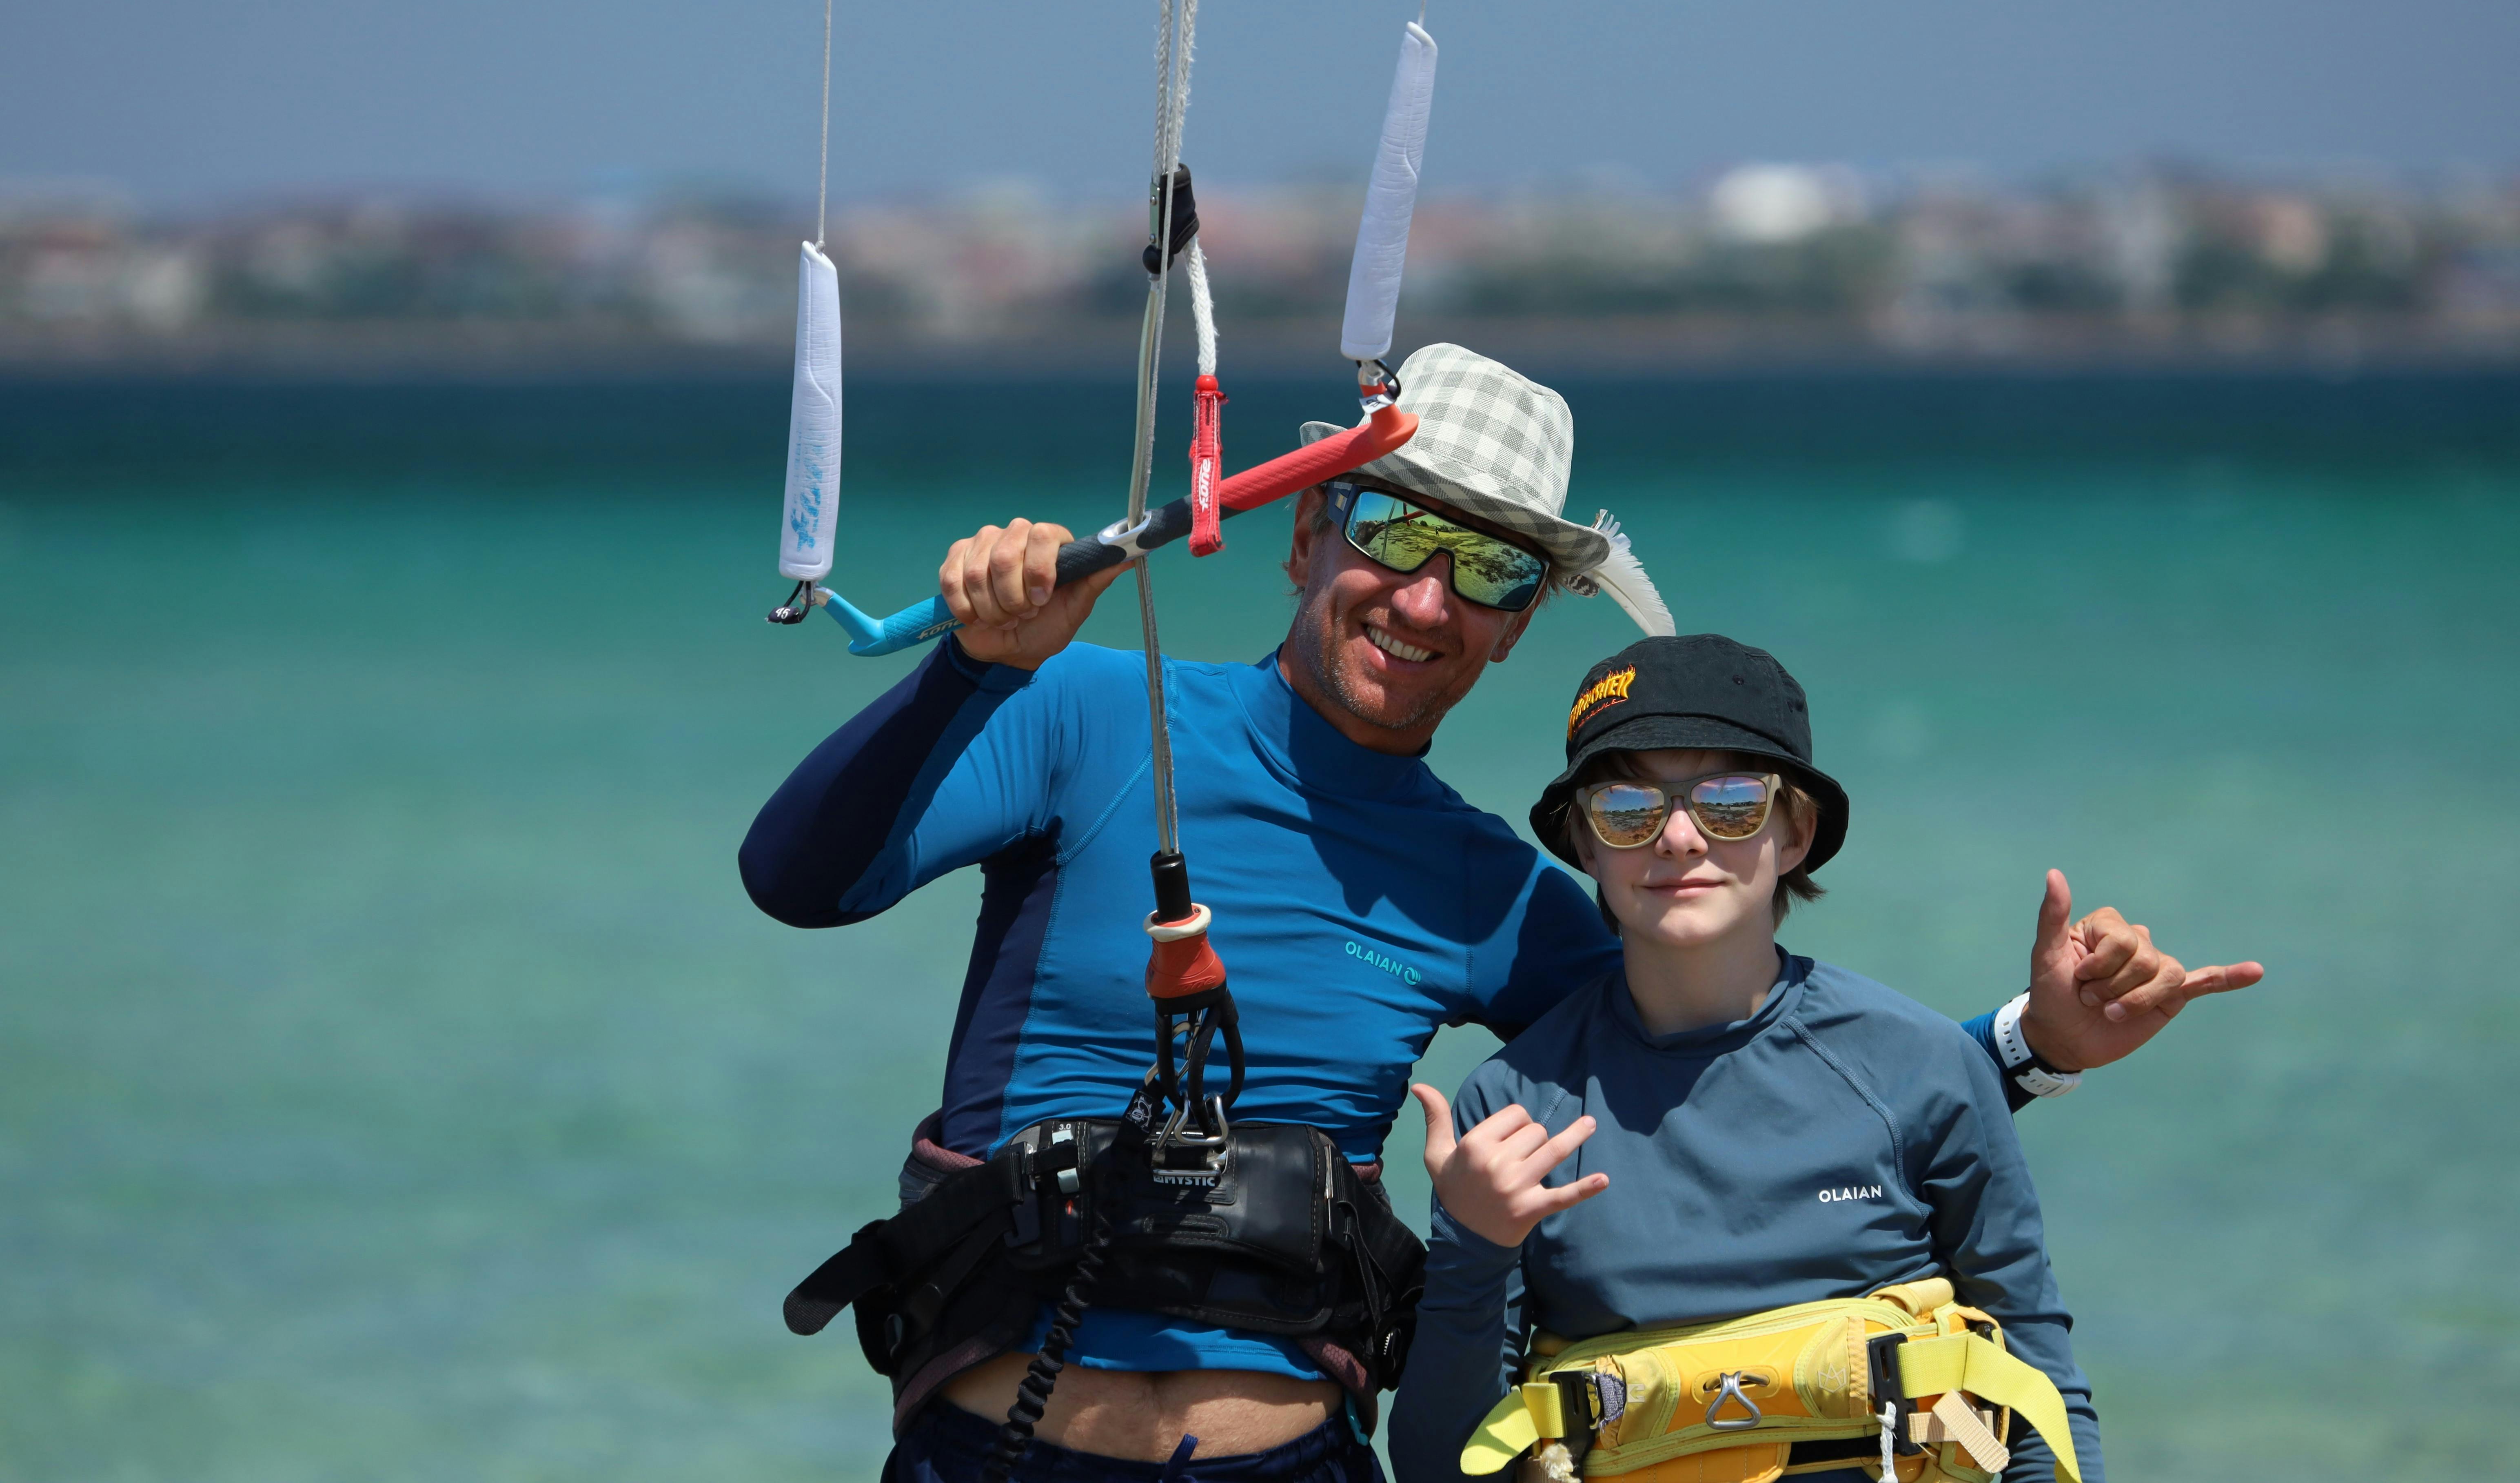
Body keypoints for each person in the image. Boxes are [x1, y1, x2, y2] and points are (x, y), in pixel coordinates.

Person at [740, 346, 2254, 1483]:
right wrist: (972, 667)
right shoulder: (1082, 709)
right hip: (993, 1444)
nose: (1424, 596)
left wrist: (2027, 1046)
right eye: (1395, 532)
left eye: (1487, 568)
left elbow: (1726, 1060)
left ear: (1520, 623)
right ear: (1304, 533)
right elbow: (799, 881)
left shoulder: (1486, 886)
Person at [1388, 636, 2135, 1483]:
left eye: (1730, 802)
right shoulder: (1517, 1108)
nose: (1677, 838)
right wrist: (1473, 1253)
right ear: (1585, 844)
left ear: (1796, 832)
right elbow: (1435, 1469)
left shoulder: (1921, 1064)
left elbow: (2038, 1390)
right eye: (1626, 808)